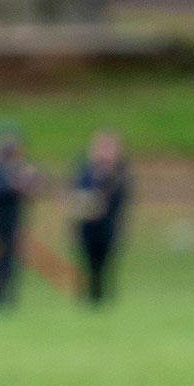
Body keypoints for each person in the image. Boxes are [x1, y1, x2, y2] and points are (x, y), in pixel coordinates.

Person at [0, 123, 39, 309]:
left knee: (11, 262)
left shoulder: (21, 168)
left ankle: (8, 296)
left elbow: (35, 187)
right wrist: (13, 184)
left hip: (13, 223)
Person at [71, 129, 130, 306]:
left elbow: (122, 196)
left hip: (108, 227)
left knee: (106, 264)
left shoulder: (119, 172)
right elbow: (76, 195)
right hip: (87, 228)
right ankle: (89, 297)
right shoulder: (84, 171)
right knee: (88, 264)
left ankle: (104, 297)